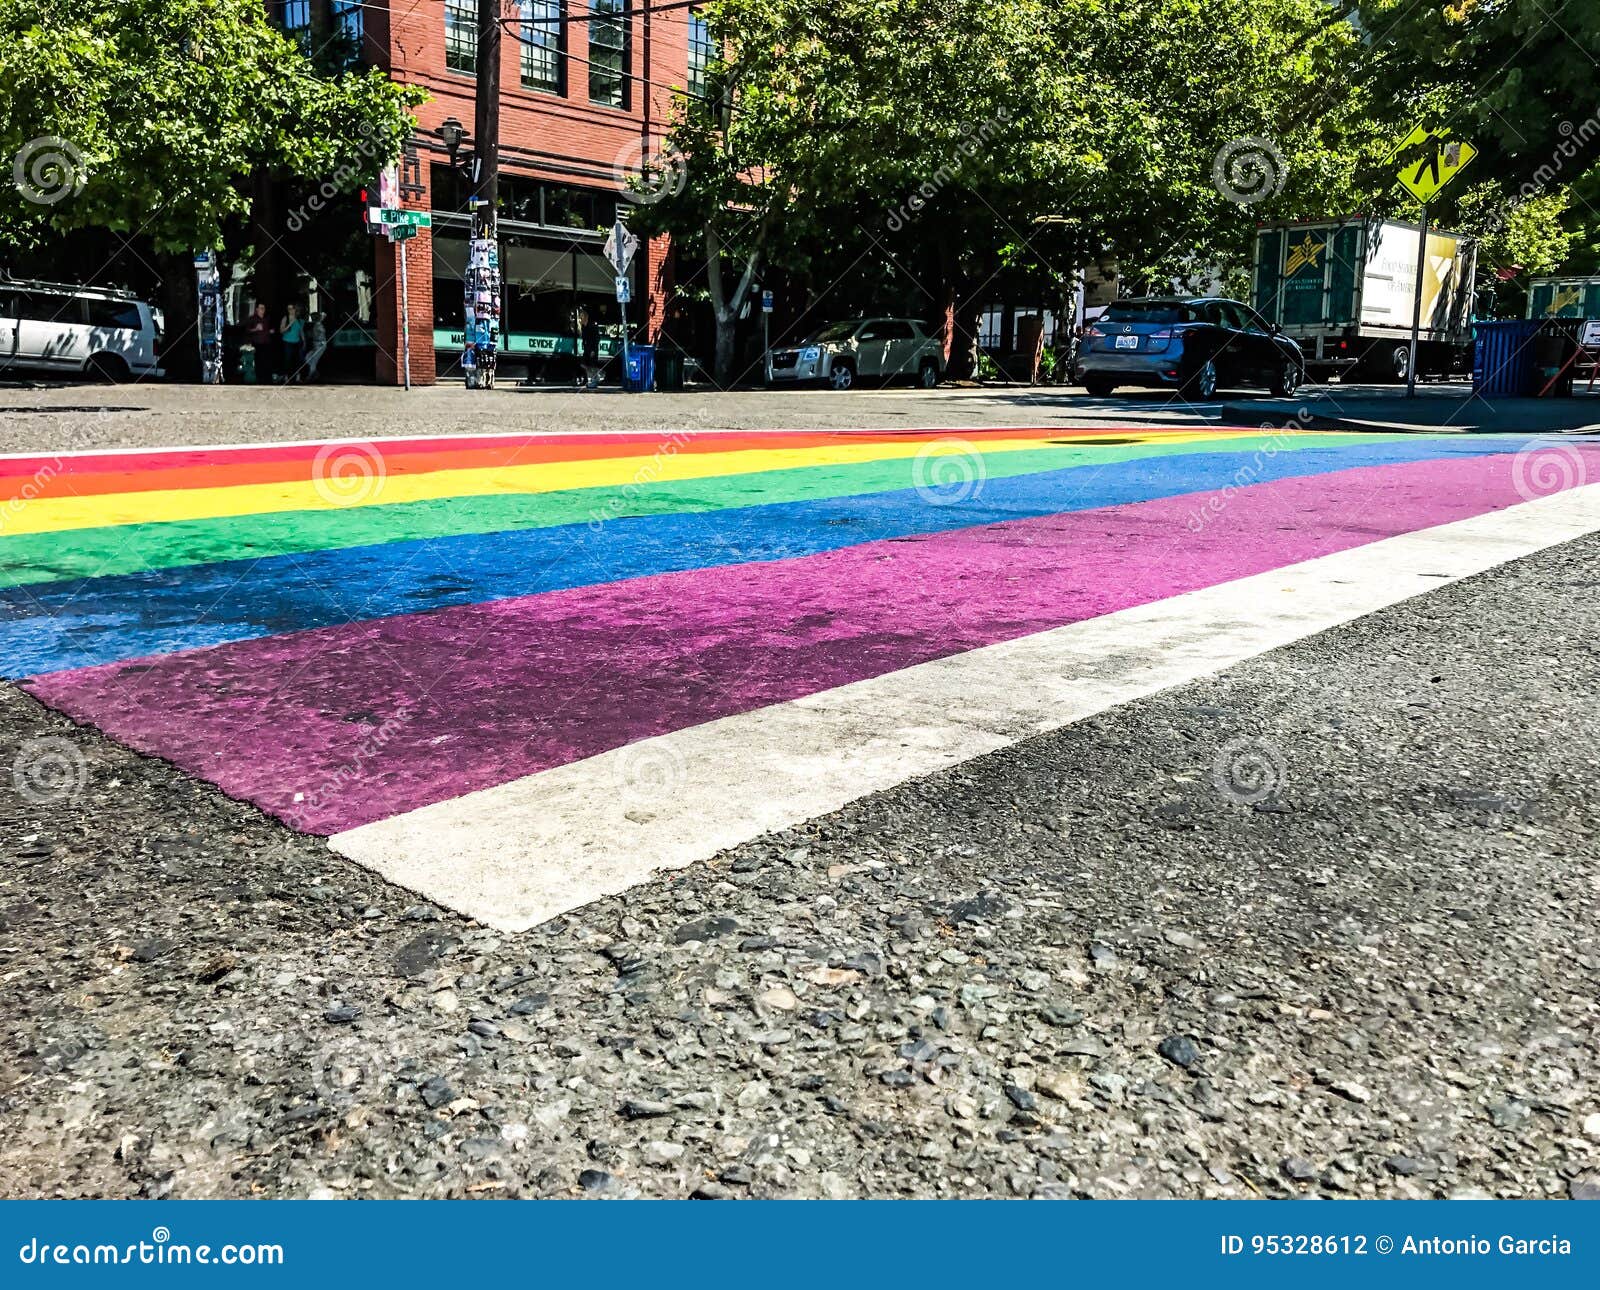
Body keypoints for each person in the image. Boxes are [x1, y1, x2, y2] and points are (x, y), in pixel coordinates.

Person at [244, 302, 275, 384]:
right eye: (261, 308)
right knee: (259, 361)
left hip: (267, 343)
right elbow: (247, 330)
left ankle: (268, 380)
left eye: (264, 308)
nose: (263, 310)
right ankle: (260, 380)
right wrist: (256, 329)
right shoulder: (252, 319)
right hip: (257, 343)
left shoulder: (268, 318)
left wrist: (271, 331)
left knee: (267, 361)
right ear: (257, 309)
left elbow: (272, 329)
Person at [279, 303, 305, 382]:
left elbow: (301, 331)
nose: (290, 310)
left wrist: (304, 341)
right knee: (287, 359)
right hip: (287, 341)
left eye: (291, 308)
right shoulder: (285, 318)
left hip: (297, 342)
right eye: (288, 309)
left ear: (295, 309)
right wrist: (290, 324)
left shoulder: (299, 319)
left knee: (298, 360)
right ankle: (286, 376)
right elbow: (281, 330)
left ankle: (297, 376)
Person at [303, 312, 329, 383]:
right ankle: (315, 373)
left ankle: (310, 376)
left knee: (313, 360)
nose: (312, 319)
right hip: (316, 344)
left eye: (313, 317)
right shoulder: (317, 324)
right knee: (307, 357)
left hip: (320, 344)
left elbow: (319, 333)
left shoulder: (318, 325)